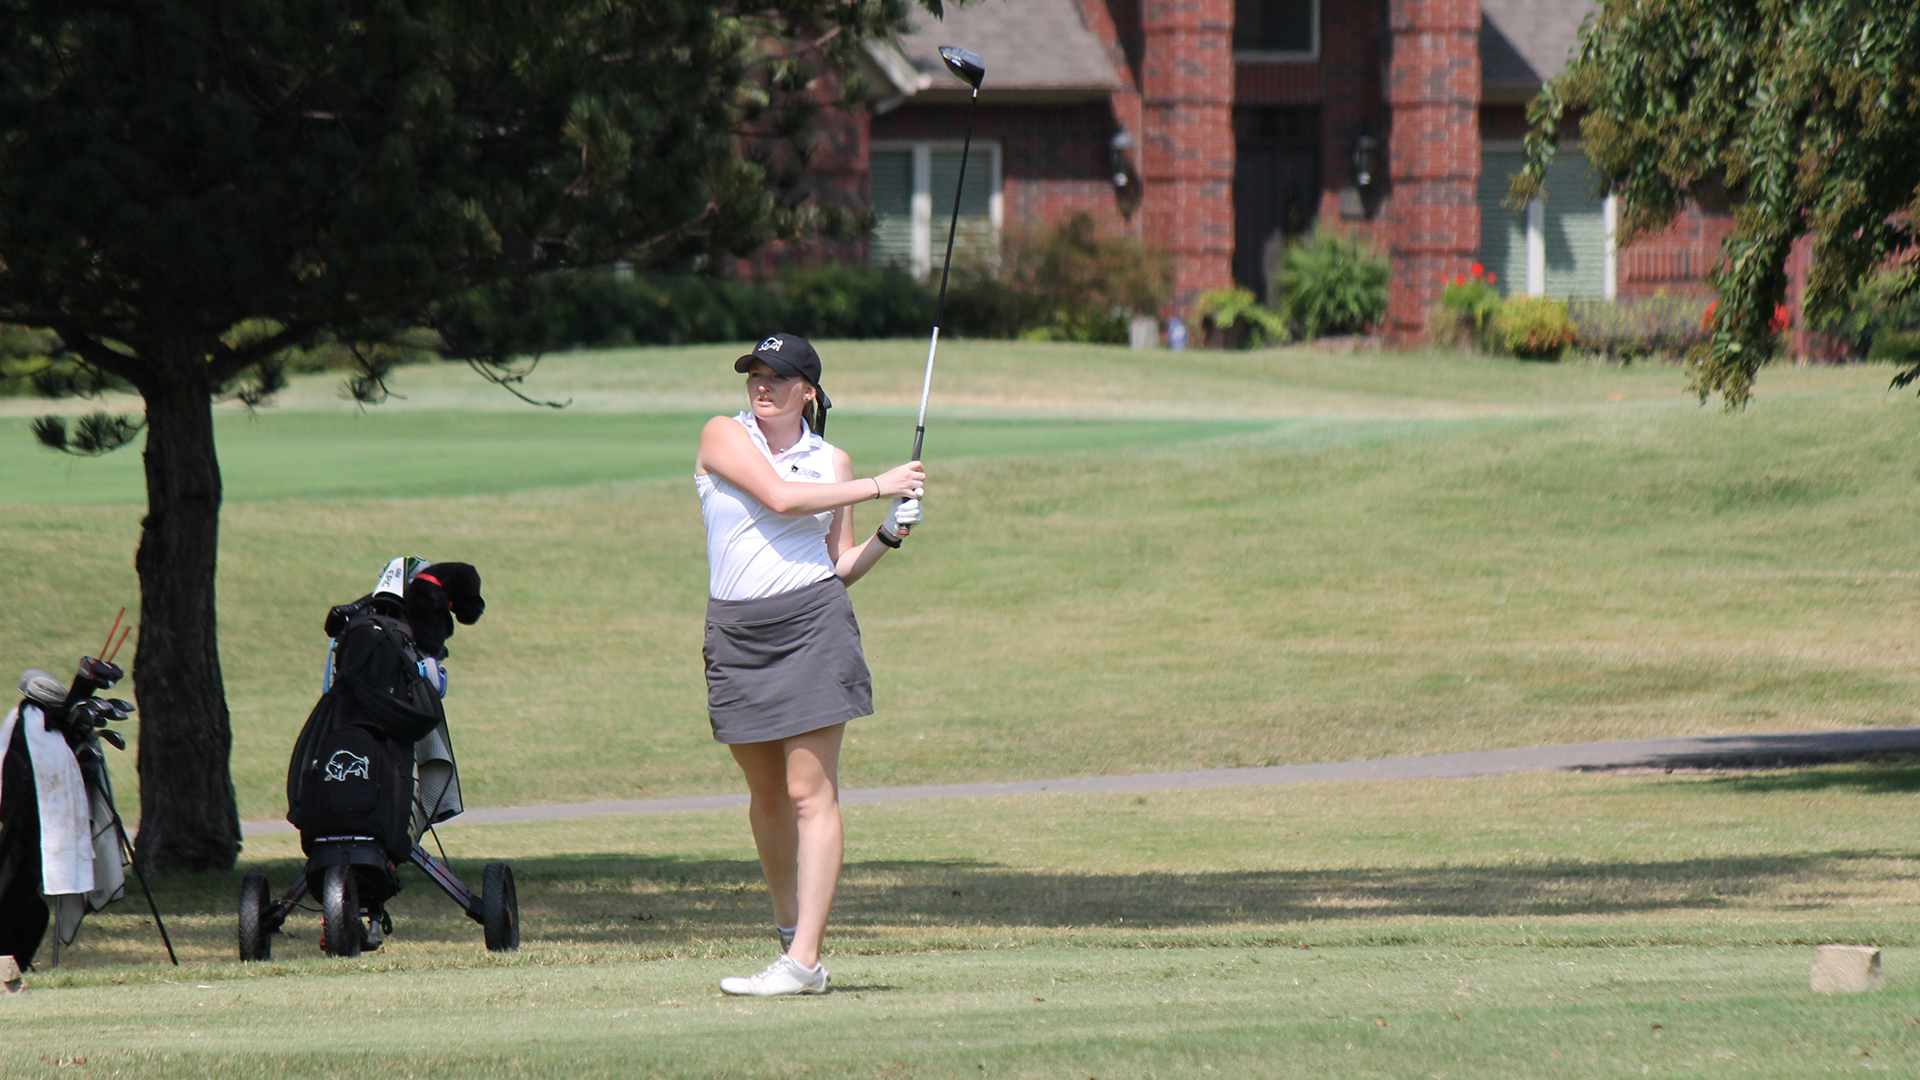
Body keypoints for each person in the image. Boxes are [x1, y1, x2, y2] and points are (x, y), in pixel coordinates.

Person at [696, 333, 924, 997]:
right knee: (765, 793)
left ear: (809, 391)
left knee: (808, 792)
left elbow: (837, 565)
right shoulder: (722, 435)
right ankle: (789, 932)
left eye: (779, 376)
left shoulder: (833, 461)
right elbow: (779, 499)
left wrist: (886, 533)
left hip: (813, 626)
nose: (762, 386)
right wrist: (882, 483)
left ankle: (803, 960)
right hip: (736, 633)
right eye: (755, 374)